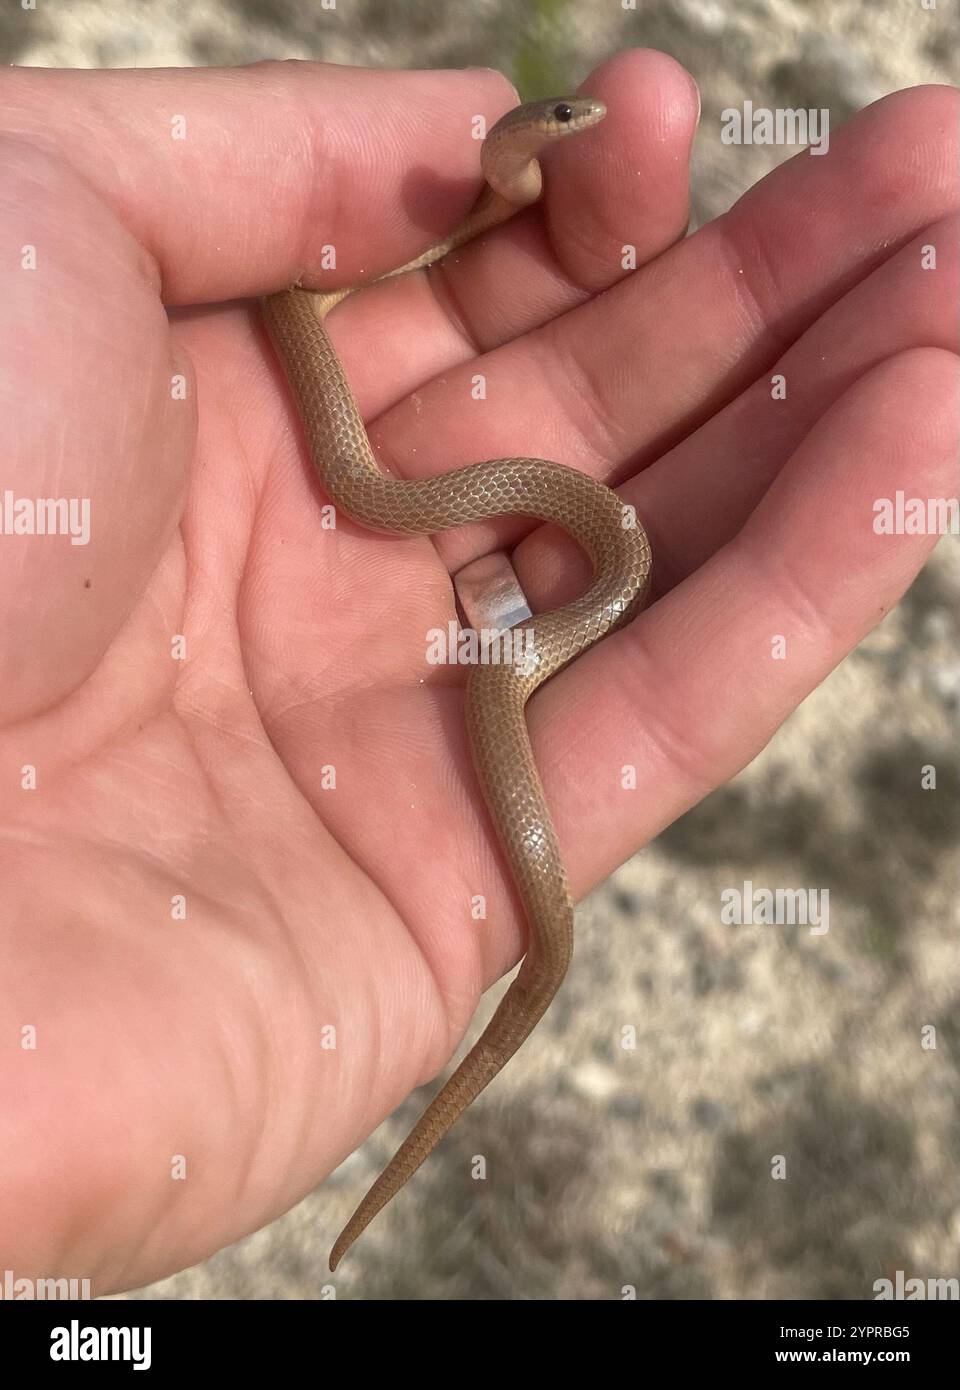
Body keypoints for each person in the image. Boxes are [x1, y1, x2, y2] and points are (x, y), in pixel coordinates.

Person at [0, 50, 956, 1293]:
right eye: (560, 124)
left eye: (566, 123)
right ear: (523, 137)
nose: (577, 127)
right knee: (378, 477)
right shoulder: (391, 262)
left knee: (592, 576)